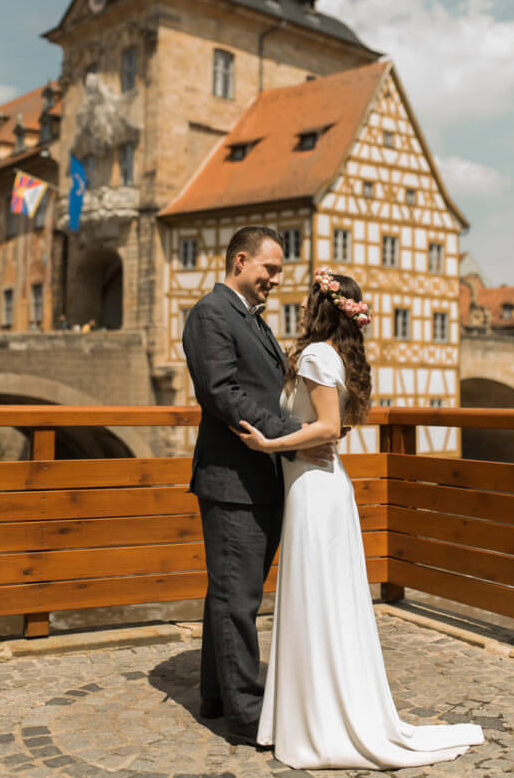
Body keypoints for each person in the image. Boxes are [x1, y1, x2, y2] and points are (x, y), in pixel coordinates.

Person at [235, 267, 485, 770]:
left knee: (315, 598)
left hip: (313, 488)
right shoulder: (334, 356)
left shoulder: (314, 354)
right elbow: (332, 427)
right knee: (323, 600)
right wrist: (304, 440)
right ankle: (314, 712)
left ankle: (316, 720)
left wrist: (269, 444)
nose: (301, 307)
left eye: (308, 299)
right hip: (320, 485)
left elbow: (327, 426)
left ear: (320, 306)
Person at [182, 227, 337, 746]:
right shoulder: (211, 314)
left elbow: (269, 391)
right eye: (269, 269)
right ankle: (246, 716)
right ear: (241, 261)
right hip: (233, 479)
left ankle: (215, 695)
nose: (275, 279)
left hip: (260, 477)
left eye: (279, 272)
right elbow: (222, 393)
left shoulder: (253, 321)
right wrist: (293, 437)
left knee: (228, 594)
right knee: (237, 599)